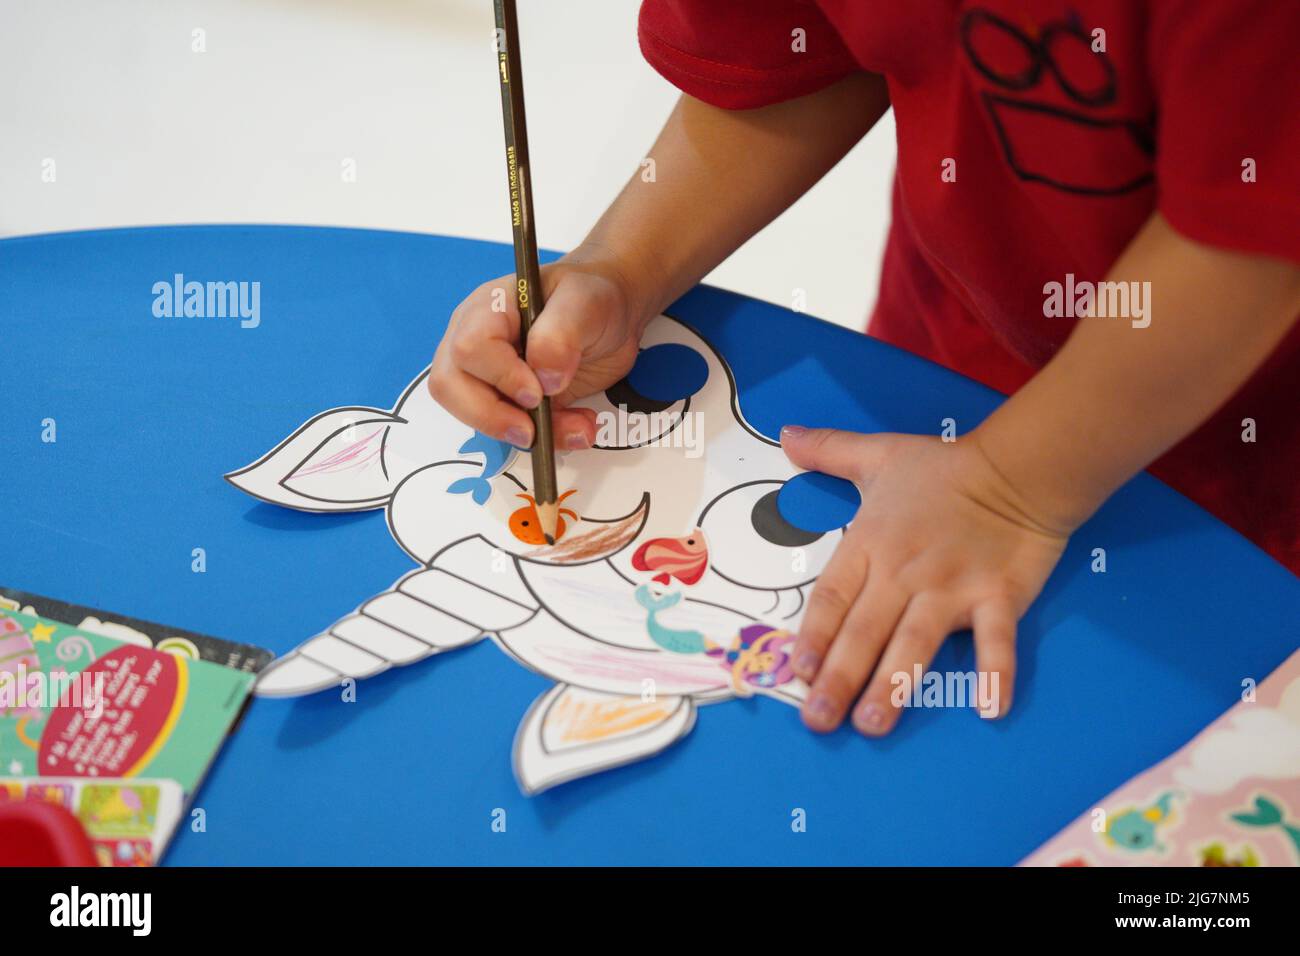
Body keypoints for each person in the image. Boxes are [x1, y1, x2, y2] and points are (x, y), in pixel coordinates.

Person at [427, 1, 1300, 737]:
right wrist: (622, 269)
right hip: (948, 377)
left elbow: (1252, 246)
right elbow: (803, 51)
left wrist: (1012, 485)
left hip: (1257, 467)